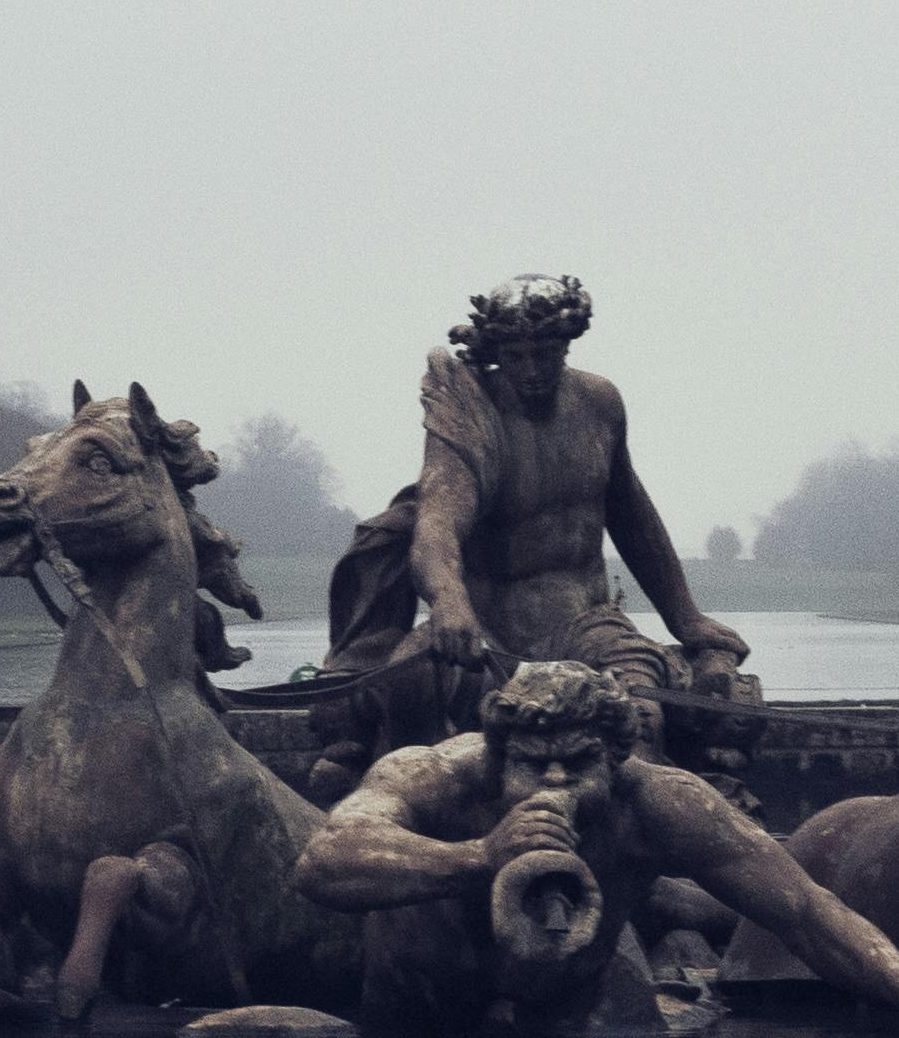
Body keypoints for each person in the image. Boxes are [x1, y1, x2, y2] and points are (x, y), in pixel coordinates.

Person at [297, 660, 899, 1038]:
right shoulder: (435, 774)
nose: (555, 782)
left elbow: (804, 908)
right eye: (533, 764)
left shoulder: (660, 802)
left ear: (617, 758)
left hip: (559, 1026)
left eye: (579, 763)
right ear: (498, 754)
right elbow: (324, 861)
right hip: (416, 1021)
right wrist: (479, 855)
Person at [318, 278, 752, 753]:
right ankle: (397, 772)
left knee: (637, 709)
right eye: (515, 355)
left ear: (566, 344)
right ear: (496, 349)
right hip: (486, 630)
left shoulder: (600, 403)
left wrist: (685, 618)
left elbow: (630, 514)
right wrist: (448, 600)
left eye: (543, 354)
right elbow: (438, 524)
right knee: (409, 679)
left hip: (586, 624)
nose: (530, 370)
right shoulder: (470, 412)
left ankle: (641, 788)